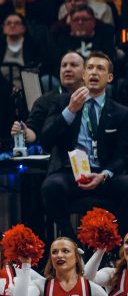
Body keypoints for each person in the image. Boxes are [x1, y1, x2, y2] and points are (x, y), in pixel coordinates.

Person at [38, 52, 128, 239]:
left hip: (102, 175)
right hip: (69, 174)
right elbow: (46, 140)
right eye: (90, 68)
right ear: (84, 76)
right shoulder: (62, 102)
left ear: (109, 78)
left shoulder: (121, 113)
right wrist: (70, 111)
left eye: (100, 68)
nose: (94, 72)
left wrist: (103, 175)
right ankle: (71, 243)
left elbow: (122, 156)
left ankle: (112, 243)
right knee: (50, 187)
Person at [15, 51, 86, 145]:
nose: (67, 69)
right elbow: (33, 130)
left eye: (73, 65)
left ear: (85, 72)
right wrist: (25, 132)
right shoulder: (45, 100)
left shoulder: (93, 97)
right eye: (64, 65)